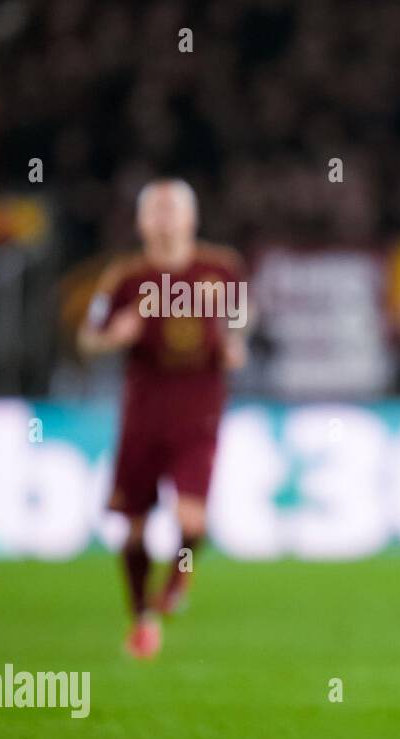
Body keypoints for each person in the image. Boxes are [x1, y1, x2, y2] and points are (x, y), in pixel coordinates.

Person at [78, 179, 248, 658]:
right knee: (132, 524)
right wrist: (113, 334)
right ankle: (141, 618)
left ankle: (175, 583)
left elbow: (242, 320)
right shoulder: (124, 277)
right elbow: (88, 339)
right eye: (156, 210)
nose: (165, 218)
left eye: (173, 209)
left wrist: (237, 343)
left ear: (192, 219)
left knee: (190, 515)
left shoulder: (220, 268)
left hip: (199, 409)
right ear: (141, 222)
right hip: (143, 412)